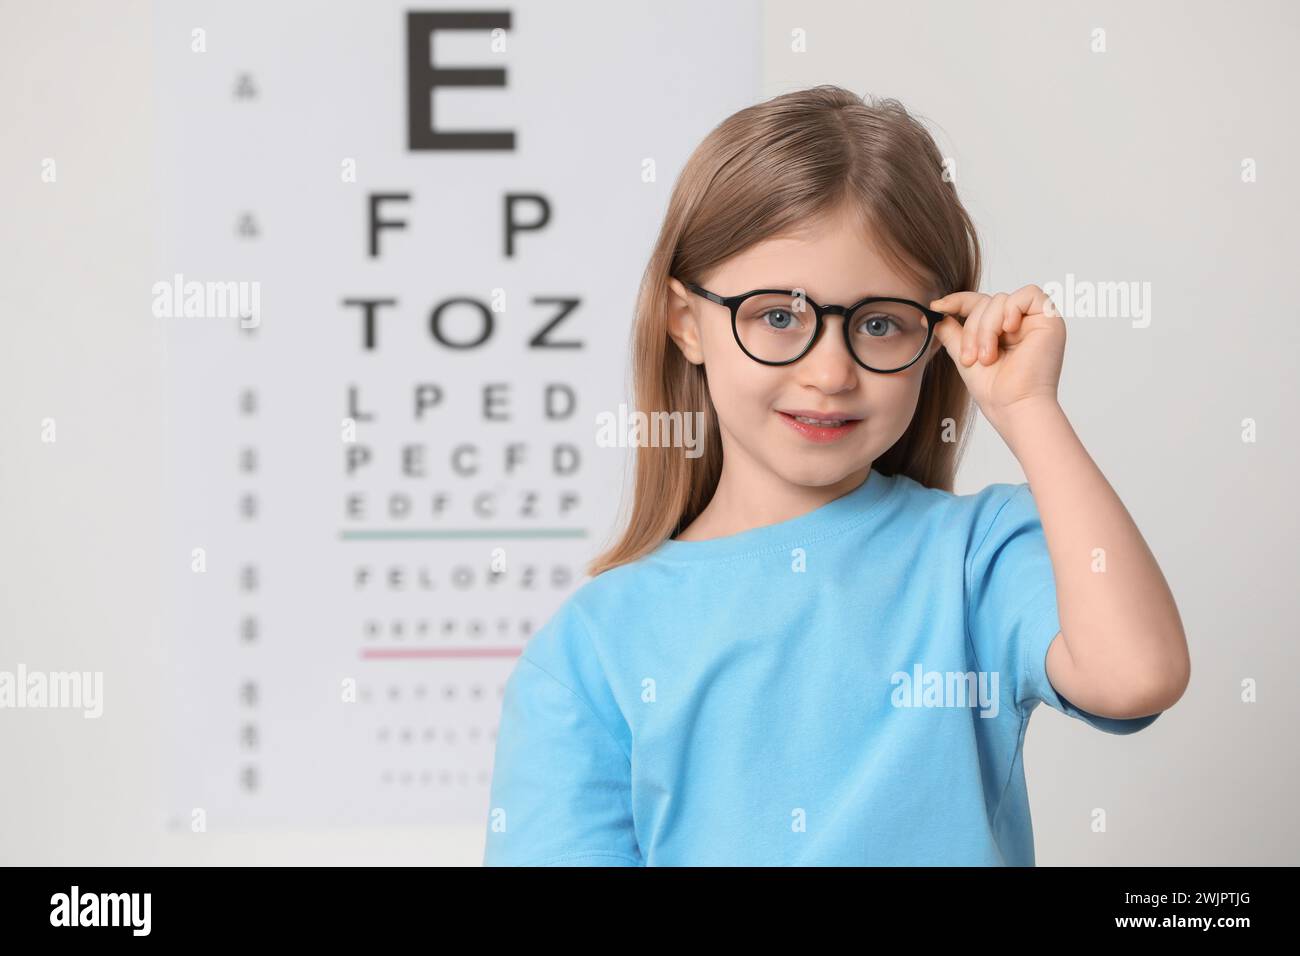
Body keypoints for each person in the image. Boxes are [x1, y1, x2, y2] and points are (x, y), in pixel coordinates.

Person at [482, 85, 1189, 866]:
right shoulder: (592, 650)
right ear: (686, 323)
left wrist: (1029, 409)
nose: (829, 372)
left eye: (880, 323)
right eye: (777, 316)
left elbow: (1137, 675)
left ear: (937, 337)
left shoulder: (974, 557)